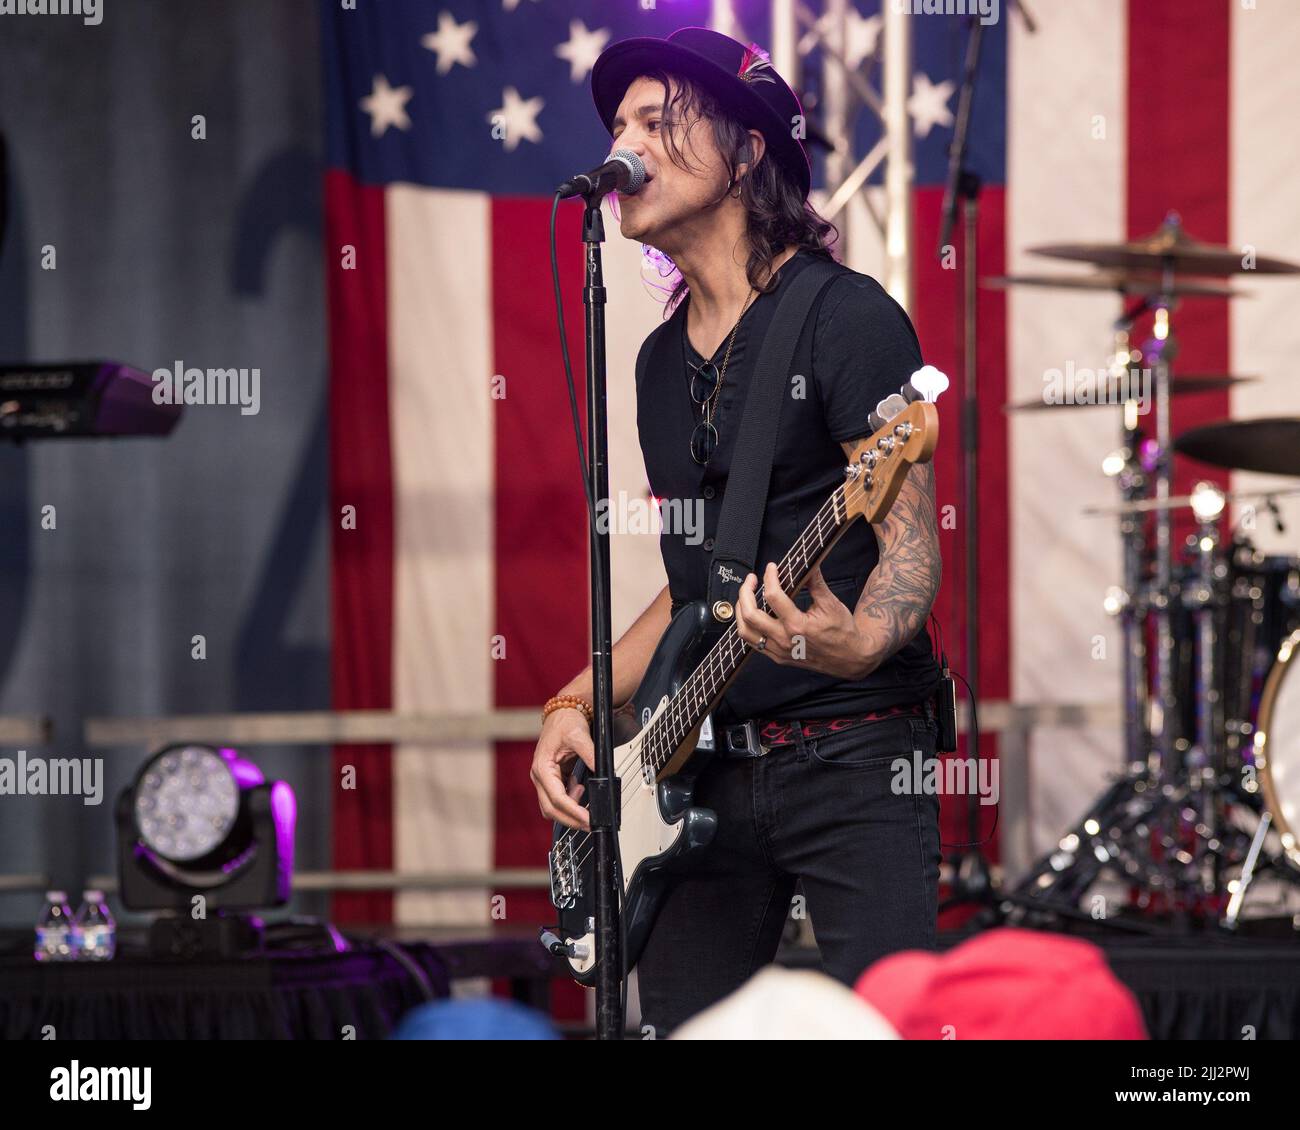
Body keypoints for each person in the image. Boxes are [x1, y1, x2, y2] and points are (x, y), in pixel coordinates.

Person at [530, 27, 943, 1035]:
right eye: (617, 122)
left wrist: (860, 636)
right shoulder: (655, 365)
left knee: (886, 1023)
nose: (622, 142)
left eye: (655, 120)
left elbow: (912, 548)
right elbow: (693, 584)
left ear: (750, 150)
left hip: (853, 754)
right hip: (703, 765)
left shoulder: (846, 319)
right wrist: (570, 700)